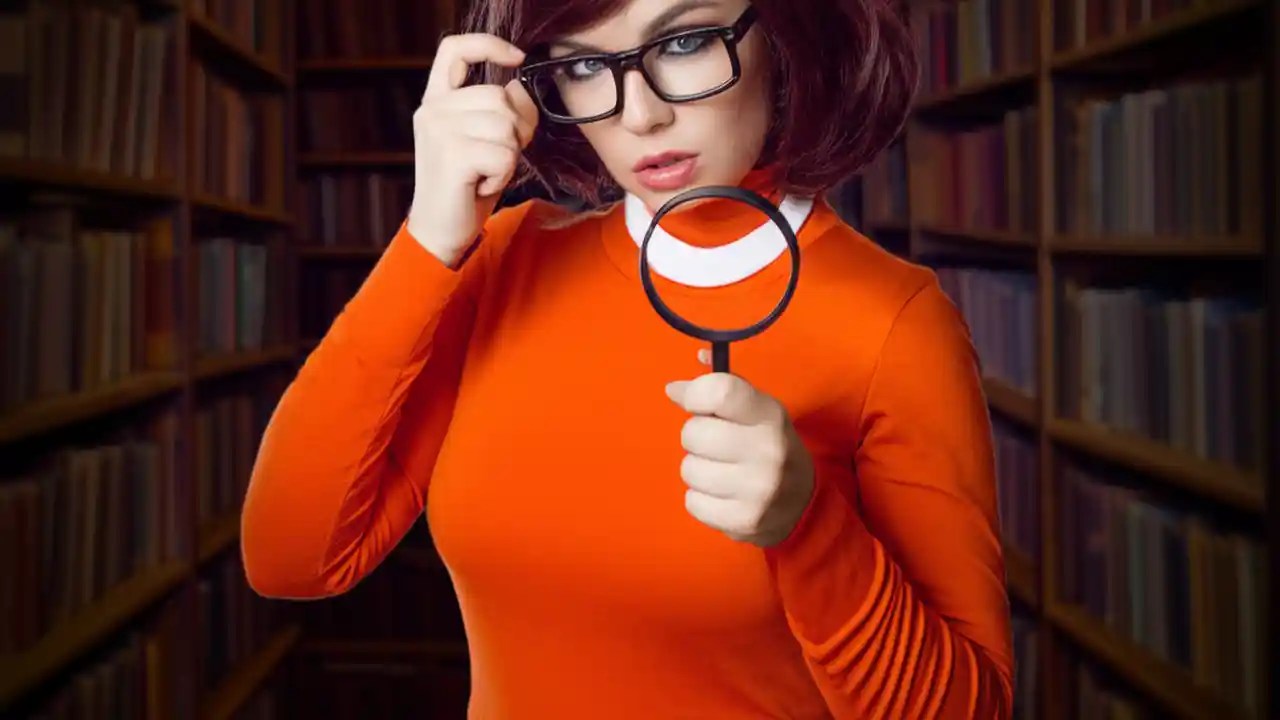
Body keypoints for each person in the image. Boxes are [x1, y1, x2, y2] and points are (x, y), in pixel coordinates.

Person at [242, 0, 1015, 716]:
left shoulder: (895, 324)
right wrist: (427, 241)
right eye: (582, 66)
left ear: (784, 34)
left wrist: (808, 528)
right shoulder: (503, 259)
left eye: (683, 42)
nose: (640, 114)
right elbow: (288, 558)